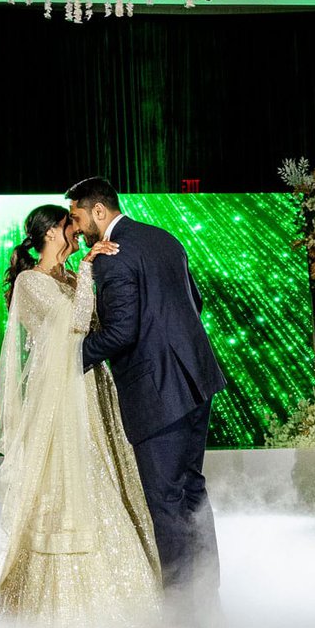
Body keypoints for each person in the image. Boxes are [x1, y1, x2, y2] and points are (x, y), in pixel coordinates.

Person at [0, 204, 161, 628]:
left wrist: (86, 275)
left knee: (107, 472)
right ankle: (60, 609)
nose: (78, 232)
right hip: (60, 399)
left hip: (90, 385)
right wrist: (87, 269)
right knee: (69, 483)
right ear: (51, 233)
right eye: (71, 225)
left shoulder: (67, 278)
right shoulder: (31, 282)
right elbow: (73, 324)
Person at [66, 176, 226, 600]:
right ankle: (207, 601)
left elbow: (121, 332)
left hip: (156, 391)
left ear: (99, 211)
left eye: (78, 218)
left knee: (167, 502)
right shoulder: (164, 238)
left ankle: (182, 620)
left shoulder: (112, 256)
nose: (78, 229)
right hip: (196, 382)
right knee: (192, 492)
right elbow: (196, 301)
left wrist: (67, 359)